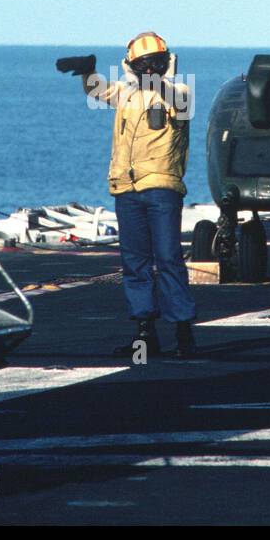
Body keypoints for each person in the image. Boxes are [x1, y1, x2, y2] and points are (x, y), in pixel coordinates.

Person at [56, 33, 197, 358]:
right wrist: (87, 72)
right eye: (142, 63)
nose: (149, 68)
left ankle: (183, 333)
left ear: (167, 62)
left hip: (162, 187)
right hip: (126, 190)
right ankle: (145, 335)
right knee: (135, 264)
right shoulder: (126, 94)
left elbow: (174, 96)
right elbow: (99, 91)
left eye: (155, 62)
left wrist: (157, 78)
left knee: (168, 259)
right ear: (131, 66)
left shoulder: (180, 93)